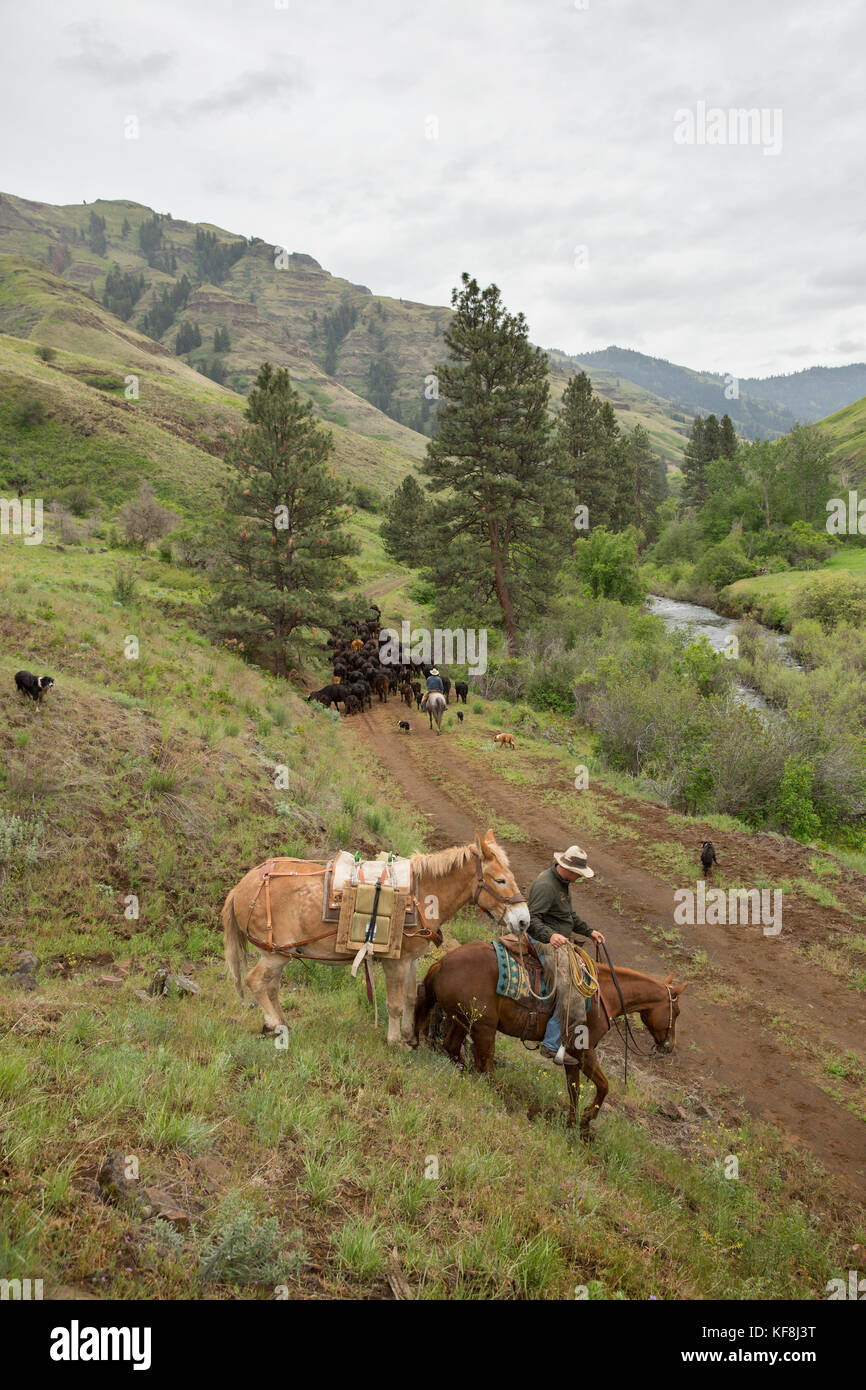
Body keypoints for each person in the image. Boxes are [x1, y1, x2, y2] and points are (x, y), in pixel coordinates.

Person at [526, 845, 606, 1063]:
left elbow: (568, 916)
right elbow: (531, 920)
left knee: (581, 981)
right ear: (568, 868)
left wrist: (589, 932)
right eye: (578, 874)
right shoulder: (546, 885)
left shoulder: (562, 884)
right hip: (542, 941)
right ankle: (551, 1045)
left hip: (558, 940)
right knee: (570, 989)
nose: (579, 878)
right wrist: (550, 936)